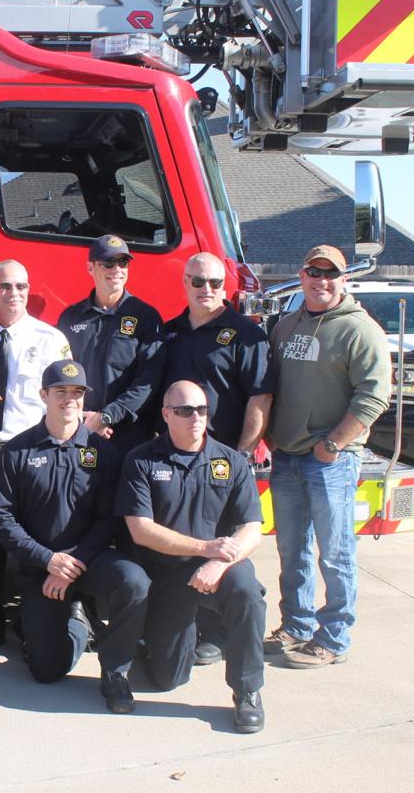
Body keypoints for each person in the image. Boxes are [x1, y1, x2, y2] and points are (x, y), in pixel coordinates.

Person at [0, 360, 149, 712]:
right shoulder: (17, 451)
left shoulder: (102, 451)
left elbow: (110, 518)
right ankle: (78, 621)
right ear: (43, 394)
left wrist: (72, 563)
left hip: (89, 560)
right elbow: (1, 519)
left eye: (77, 393)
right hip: (40, 569)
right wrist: (49, 560)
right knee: (47, 671)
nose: (69, 399)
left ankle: (116, 673)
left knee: (134, 581)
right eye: (61, 391)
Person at [265, 244, 390, 668]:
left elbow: (374, 397)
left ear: (344, 280)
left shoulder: (360, 330)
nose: (320, 281)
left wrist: (333, 444)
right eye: (312, 272)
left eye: (329, 274)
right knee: (291, 549)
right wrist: (272, 437)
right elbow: (272, 387)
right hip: (287, 458)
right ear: (301, 277)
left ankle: (334, 637)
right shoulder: (285, 327)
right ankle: (296, 626)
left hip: (331, 462)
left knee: (335, 553)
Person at [118, 381, 267, 733]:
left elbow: (252, 528)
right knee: (167, 679)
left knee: (247, 590)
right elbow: (140, 530)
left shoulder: (229, 461)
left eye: (202, 410)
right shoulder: (141, 460)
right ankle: (156, 642)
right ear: (167, 414)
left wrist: (218, 562)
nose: (195, 417)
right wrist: (203, 549)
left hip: (219, 568)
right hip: (168, 574)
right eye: (185, 410)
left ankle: (248, 691)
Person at [158, 251, 274, 666]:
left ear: (226, 286)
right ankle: (191, 623)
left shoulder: (247, 334)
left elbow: (259, 397)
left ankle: (222, 630)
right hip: (177, 458)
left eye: (214, 283)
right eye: (197, 282)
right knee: (188, 541)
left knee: (226, 541)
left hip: (225, 457)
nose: (206, 290)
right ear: (184, 282)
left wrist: (242, 454)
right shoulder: (170, 333)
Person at [0, 259, 72, 649]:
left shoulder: (50, 340)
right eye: (5, 286)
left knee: (34, 543)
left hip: (32, 455)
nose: (13, 294)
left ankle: (31, 624)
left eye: (21, 286)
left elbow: (65, 402)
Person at [56, 234, 163, 457]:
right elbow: (60, 375)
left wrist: (107, 416)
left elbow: (148, 381)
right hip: (79, 428)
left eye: (122, 262)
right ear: (90, 268)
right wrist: (78, 417)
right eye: (108, 263)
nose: (116, 269)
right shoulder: (70, 318)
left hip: (128, 435)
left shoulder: (146, 317)